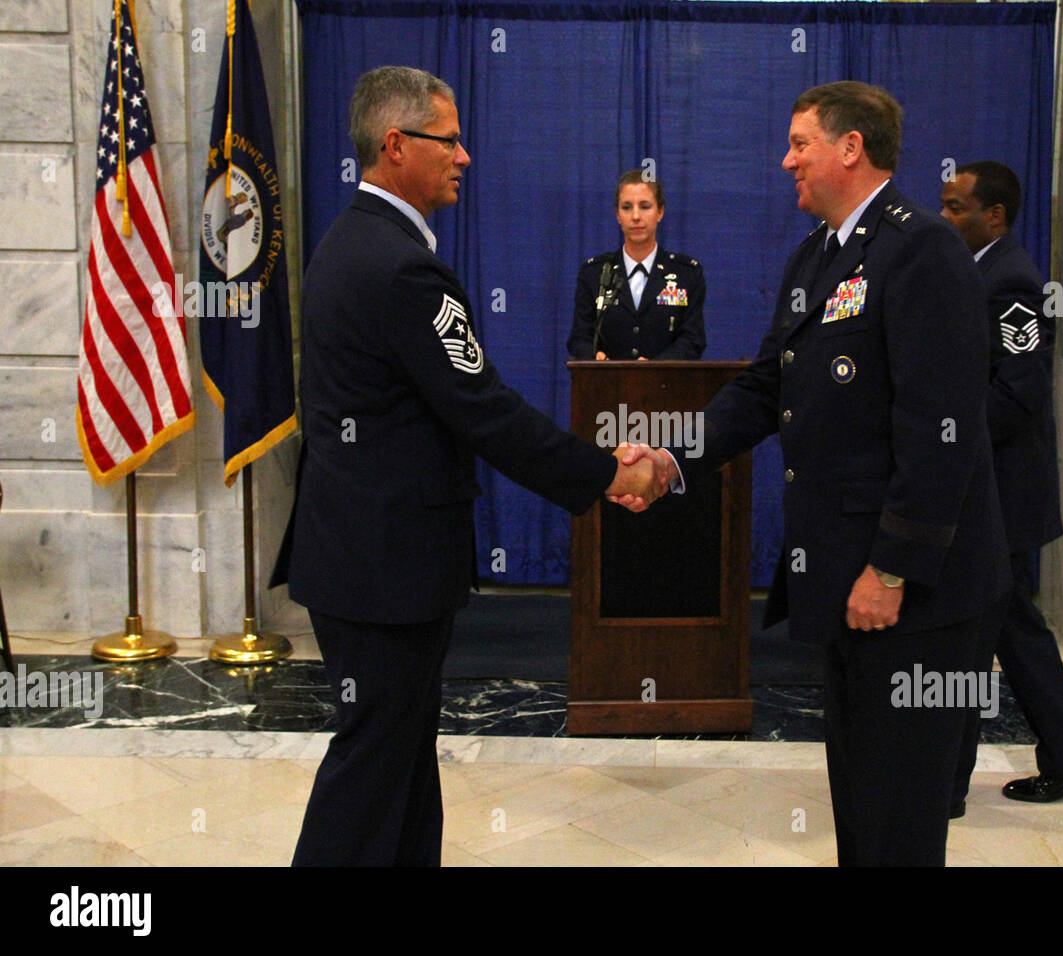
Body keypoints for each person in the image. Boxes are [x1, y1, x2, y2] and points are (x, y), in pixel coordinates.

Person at [280, 66, 661, 866]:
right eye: (447, 140)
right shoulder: (400, 266)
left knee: (403, 753)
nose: (464, 156)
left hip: (362, 554)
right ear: (394, 145)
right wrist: (608, 476)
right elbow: (484, 410)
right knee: (375, 762)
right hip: (383, 566)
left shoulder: (353, 241)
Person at [621, 82, 1010, 866]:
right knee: (861, 789)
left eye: (800, 143)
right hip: (844, 574)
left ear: (850, 148)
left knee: (902, 807)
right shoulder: (817, 255)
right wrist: (670, 453)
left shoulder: (921, 249)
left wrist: (892, 568)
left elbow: (944, 430)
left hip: (909, 591)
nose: (786, 159)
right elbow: (767, 387)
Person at [941, 161, 1063, 809]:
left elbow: (1019, 394)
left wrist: (947, 442)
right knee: (1012, 632)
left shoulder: (1009, 280)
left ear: (995, 216)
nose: (945, 217)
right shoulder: (982, 271)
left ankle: (946, 787)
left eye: (957, 207)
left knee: (970, 639)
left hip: (1001, 497)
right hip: (991, 495)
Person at [566, 171, 706, 361]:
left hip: (667, 385)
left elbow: (693, 339)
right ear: (617, 215)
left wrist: (654, 368)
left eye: (645, 206)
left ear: (660, 211)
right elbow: (579, 337)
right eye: (626, 207)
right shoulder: (595, 273)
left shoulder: (686, 274)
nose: (636, 216)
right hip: (607, 384)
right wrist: (594, 357)